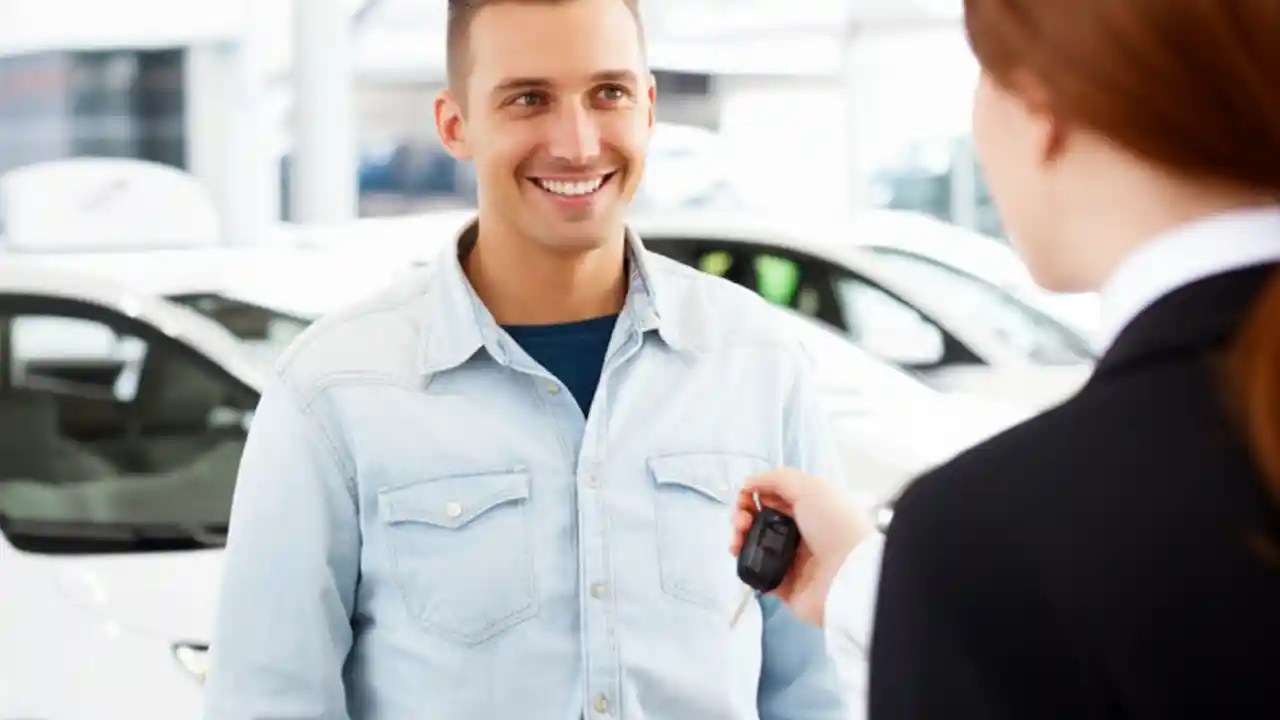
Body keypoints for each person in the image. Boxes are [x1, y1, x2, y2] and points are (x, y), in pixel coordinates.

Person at [204, 0, 847, 718]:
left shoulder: (754, 361)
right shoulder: (334, 392)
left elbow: (813, 689)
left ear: (649, 107)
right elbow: (268, 702)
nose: (576, 144)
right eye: (529, 99)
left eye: (609, 94)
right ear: (456, 125)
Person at [731, 0, 1280, 718]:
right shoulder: (991, 544)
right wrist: (888, 585)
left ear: (1039, 106)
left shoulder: (989, 535)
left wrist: (941, 581)